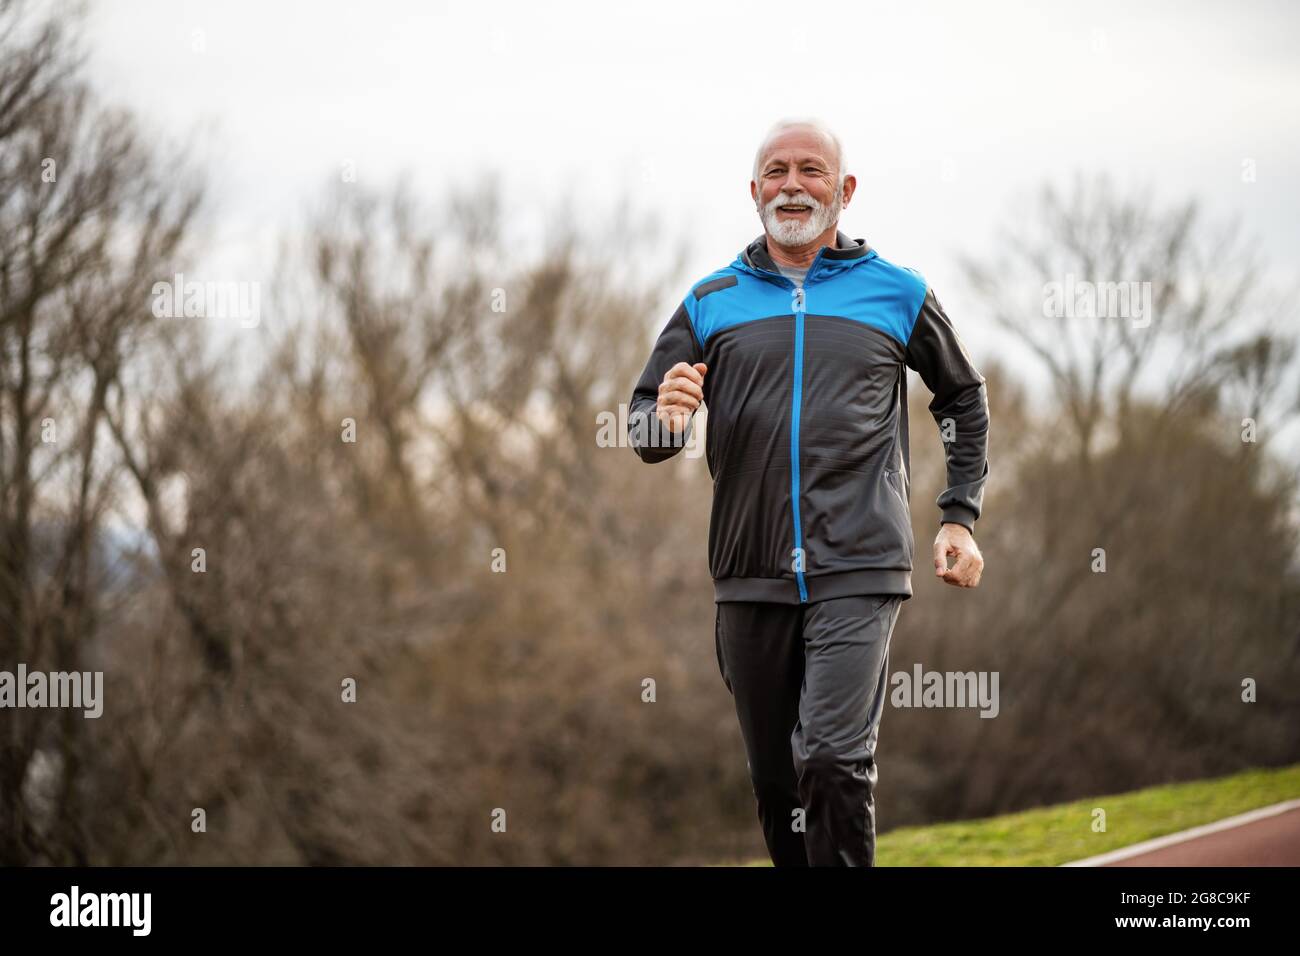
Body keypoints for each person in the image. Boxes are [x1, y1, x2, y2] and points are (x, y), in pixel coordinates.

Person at [626, 118, 990, 866]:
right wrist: (667, 420)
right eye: (777, 172)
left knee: (830, 760)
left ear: (845, 190)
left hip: (859, 566)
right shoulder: (710, 300)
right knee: (776, 786)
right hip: (748, 575)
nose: (793, 185)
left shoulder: (899, 292)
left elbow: (962, 399)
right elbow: (642, 428)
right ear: (755, 191)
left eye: (812, 171)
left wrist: (959, 515)